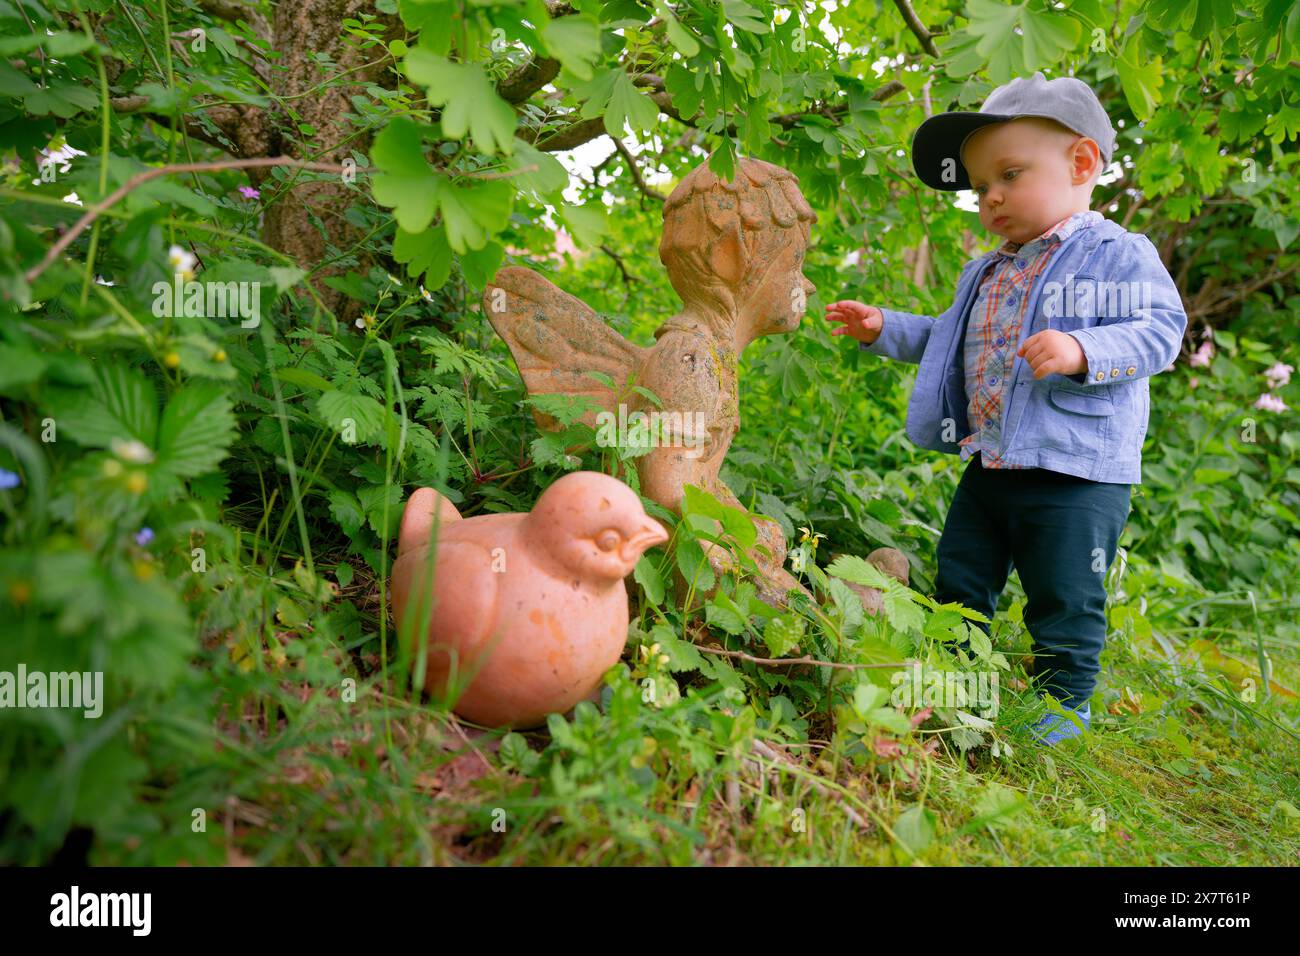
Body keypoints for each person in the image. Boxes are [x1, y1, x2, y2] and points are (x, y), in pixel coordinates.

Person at [826, 72, 1188, 744]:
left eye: (1009, 174)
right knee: (962, 570)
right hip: (992, 456)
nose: (990, 197)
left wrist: (1083, 348)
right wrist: (885, 328)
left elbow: (1163, 328)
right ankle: (956, 676)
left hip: (1078, 472)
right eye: (979, 186)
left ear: (1081, 163)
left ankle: (1063, 705)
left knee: (1064, 594)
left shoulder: (1116, 254)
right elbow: (949, 338)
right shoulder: (987, 270)